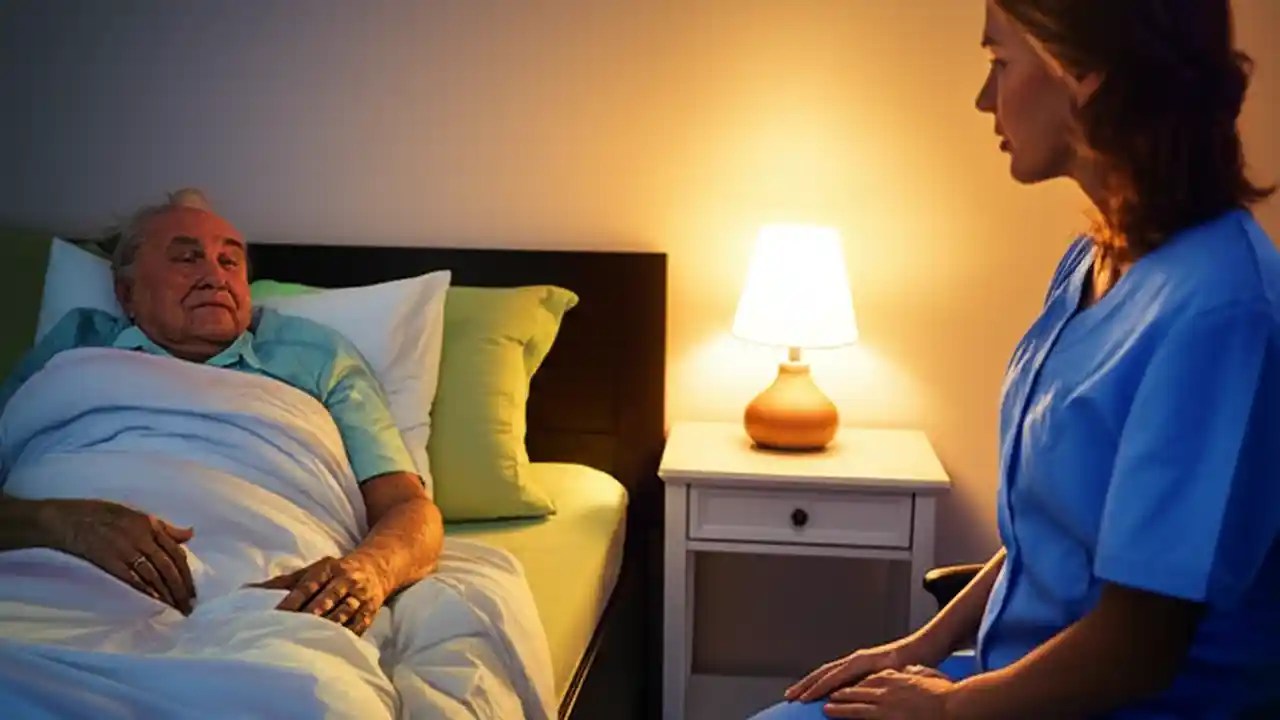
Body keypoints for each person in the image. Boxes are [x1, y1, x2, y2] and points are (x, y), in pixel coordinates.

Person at [754, 0, 1279, 718]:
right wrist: (918, 648)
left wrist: (948, 709)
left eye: (1000, 62)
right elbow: (1052, 529)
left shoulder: (1217, 309)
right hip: (1005, 684)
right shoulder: (1093, 261)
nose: (982, 98)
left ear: (1086, 72)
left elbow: (1137, 647)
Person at [0, 189, 443, 635]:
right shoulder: (76, 344)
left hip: (276, 599)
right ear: (126, 292)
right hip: (55, 586)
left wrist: (367, 574)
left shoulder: (314, 356)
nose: (215, 276)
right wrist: (59, 523)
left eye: (230, 262)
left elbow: (409, 508)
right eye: (187, 258)